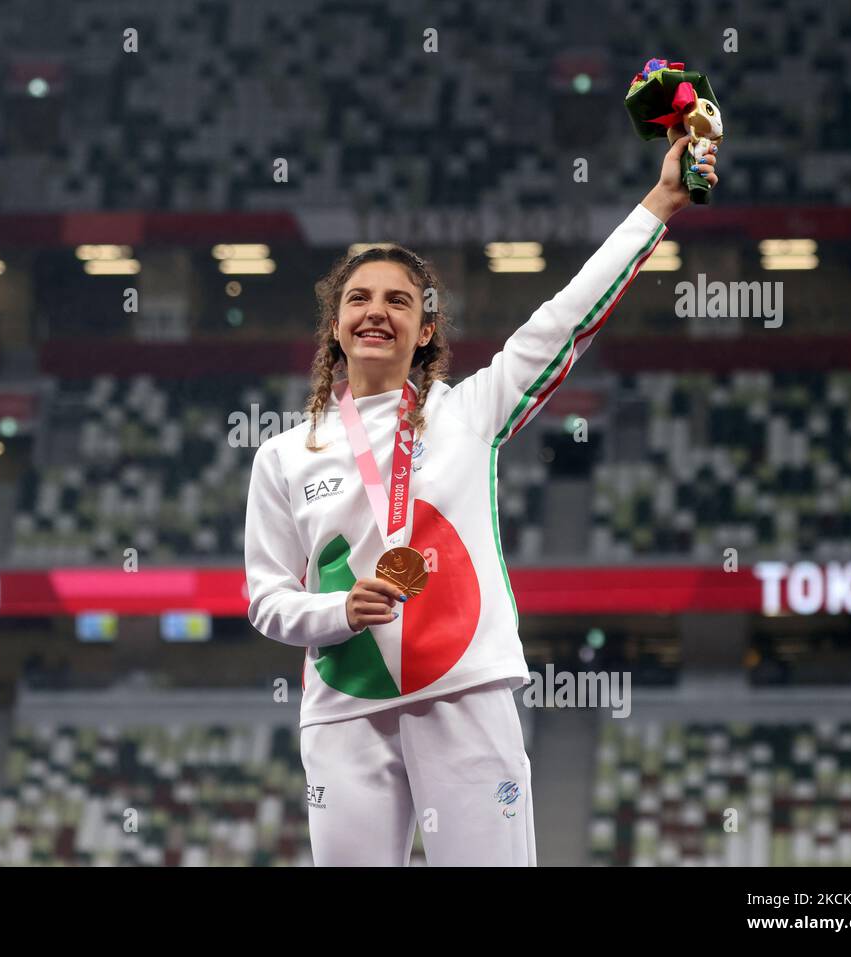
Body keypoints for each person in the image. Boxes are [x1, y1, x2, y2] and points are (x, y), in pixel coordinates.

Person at [244, 136, 719, 865]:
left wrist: (658, 204)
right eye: (358, 299)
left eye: (399, 300)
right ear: (336, 327)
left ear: (425, 328)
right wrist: (337, 611)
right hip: (344, 710)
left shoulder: (470, 413)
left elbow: (566, 319)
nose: (377, 311)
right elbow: (265, 598)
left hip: (463, 691)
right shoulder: (282, 454)